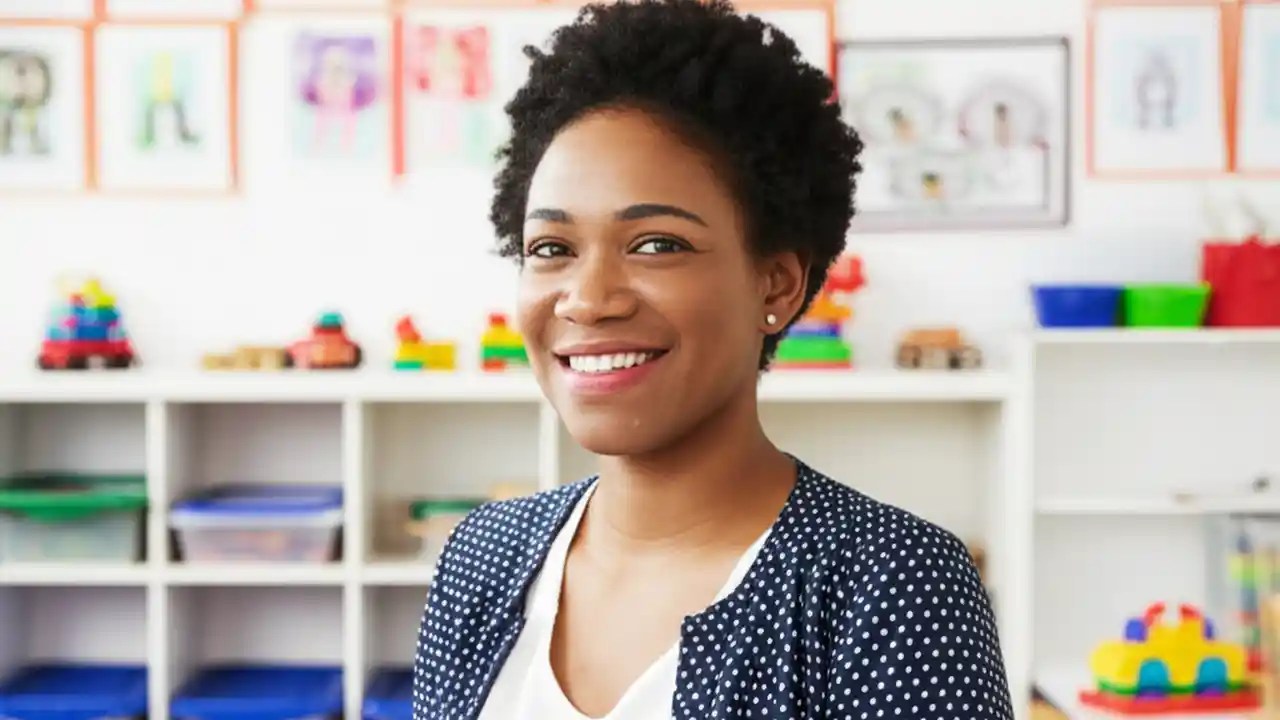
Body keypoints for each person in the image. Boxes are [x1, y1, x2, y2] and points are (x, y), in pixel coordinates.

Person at [412, 0, 1012, 717]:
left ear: (777, 284)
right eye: (552, 250)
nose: (587, 298)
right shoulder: (482, 556)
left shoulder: (891, 585)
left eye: (657, 244)